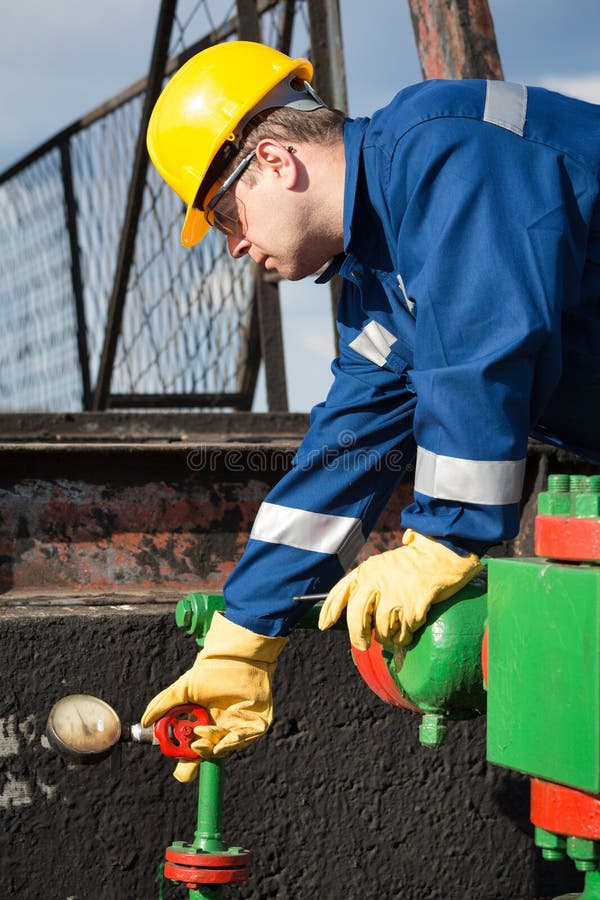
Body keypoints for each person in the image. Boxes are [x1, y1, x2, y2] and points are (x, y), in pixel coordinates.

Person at [141, 40, 600, 781]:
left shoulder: (445, 147)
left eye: (226, 214)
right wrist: (242, 636)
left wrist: (444, 539)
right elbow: (348, 449)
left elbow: (484, 337)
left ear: (273, 161)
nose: (234, 245)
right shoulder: (380, 280)